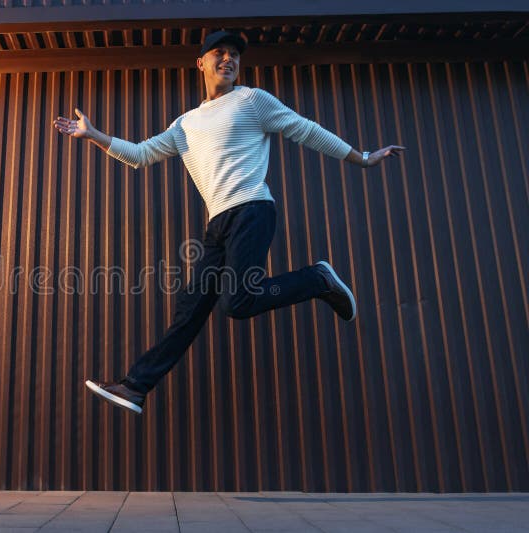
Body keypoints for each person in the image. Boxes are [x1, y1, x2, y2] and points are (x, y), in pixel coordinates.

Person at [53, 30, 405, 415]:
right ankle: (135, 387)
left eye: (234, 54)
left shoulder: (251, 100)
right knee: (190, 310)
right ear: (200, 63)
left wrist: (362, 158)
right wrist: (93, 135)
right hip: (218, 224)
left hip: (252, 209)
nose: (228, 59)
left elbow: (306, 130)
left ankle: (317, 280)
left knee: (238, 301)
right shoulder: (184, 124)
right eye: (219, 52)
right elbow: (140, 154)